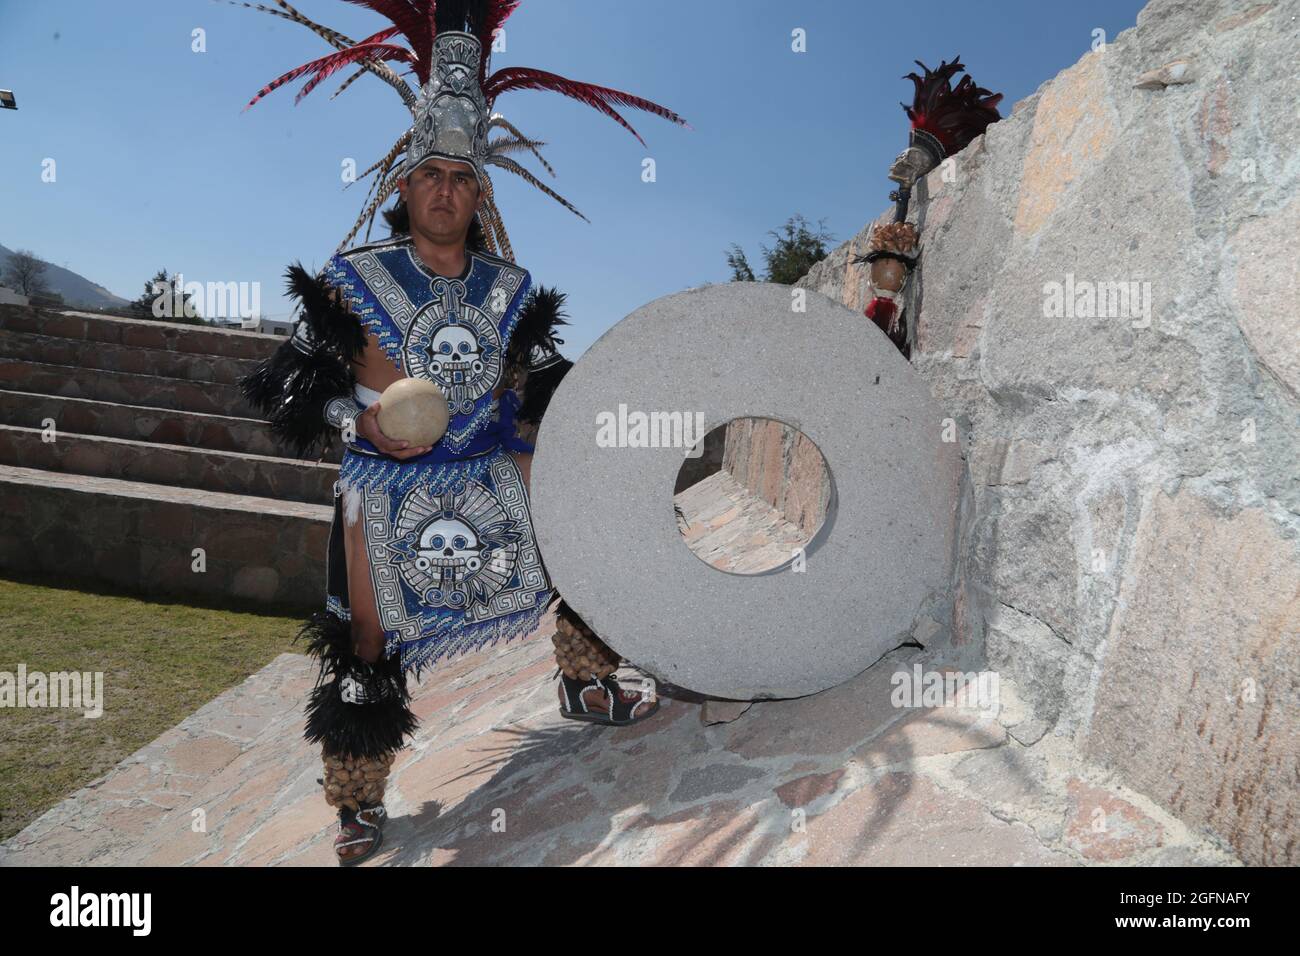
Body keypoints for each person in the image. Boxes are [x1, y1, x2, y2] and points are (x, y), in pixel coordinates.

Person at [236, 0, 686, 865]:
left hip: (483, 464)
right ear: (404, 186)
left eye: (462, 178)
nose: (446, 189)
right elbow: (294, 383)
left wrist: (549, 433)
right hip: (385, 480)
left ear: (480, 193)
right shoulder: (351, 278)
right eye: (432, 174)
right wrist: (357, 418)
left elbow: (531, 387)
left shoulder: (509, 288)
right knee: (366, 639)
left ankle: (585, 683)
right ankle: (360, 798)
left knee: (580, 523)